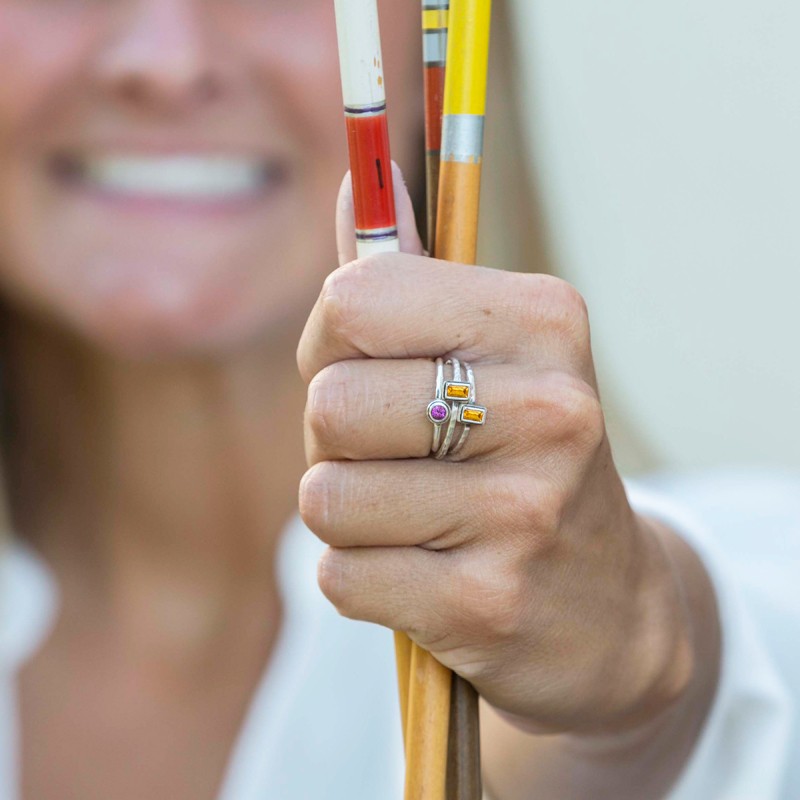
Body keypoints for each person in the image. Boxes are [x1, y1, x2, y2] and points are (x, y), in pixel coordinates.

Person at [0, 1, 795, 799]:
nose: (165, 64)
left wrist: (636, 658)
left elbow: (702, 675)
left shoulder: (756, 569)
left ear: (436, 40)